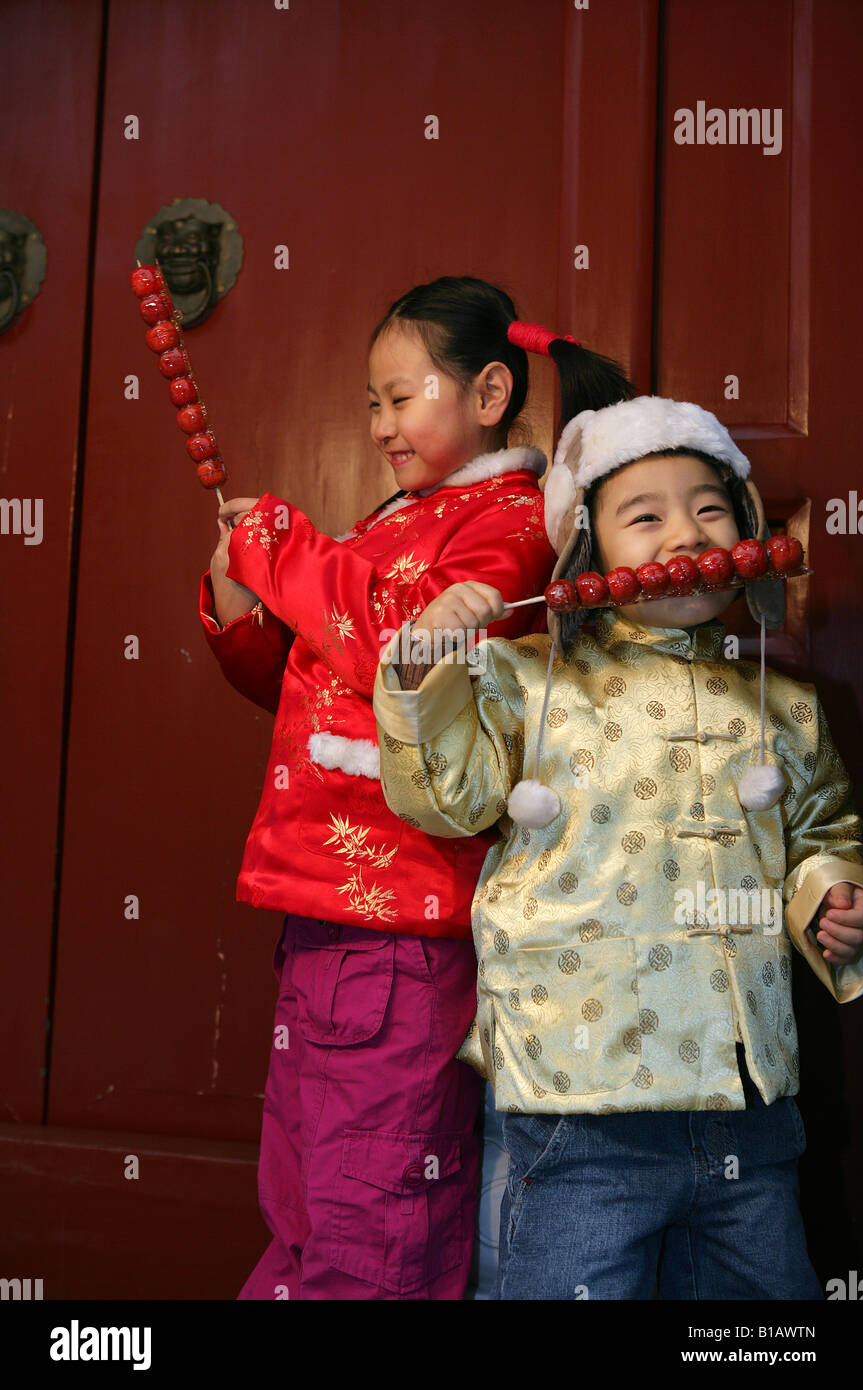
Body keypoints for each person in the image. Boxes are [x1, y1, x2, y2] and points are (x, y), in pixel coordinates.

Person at [372, 394, 863, 1300]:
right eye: (645, 517)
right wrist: (422, 661)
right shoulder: (527, 680)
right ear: (587, 553)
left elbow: (824, 834)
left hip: (749, 1113)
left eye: (710, 509)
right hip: (580, 1103)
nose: (684, 532)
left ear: (751, 538)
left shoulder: (788, 709)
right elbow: (447, 795)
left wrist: (832, 895)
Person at [198, 274, 634, 1299]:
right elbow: (304, 679)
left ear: (489, 394)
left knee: (375, 1220)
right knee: (302, 1199)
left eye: (401, 397)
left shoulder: (508, 523)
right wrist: (239, 602)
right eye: (370, 402)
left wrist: (282, 545)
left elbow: (405, 644)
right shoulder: (397, 519)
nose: (380, 423)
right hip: (322, 913)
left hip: (402, 915)